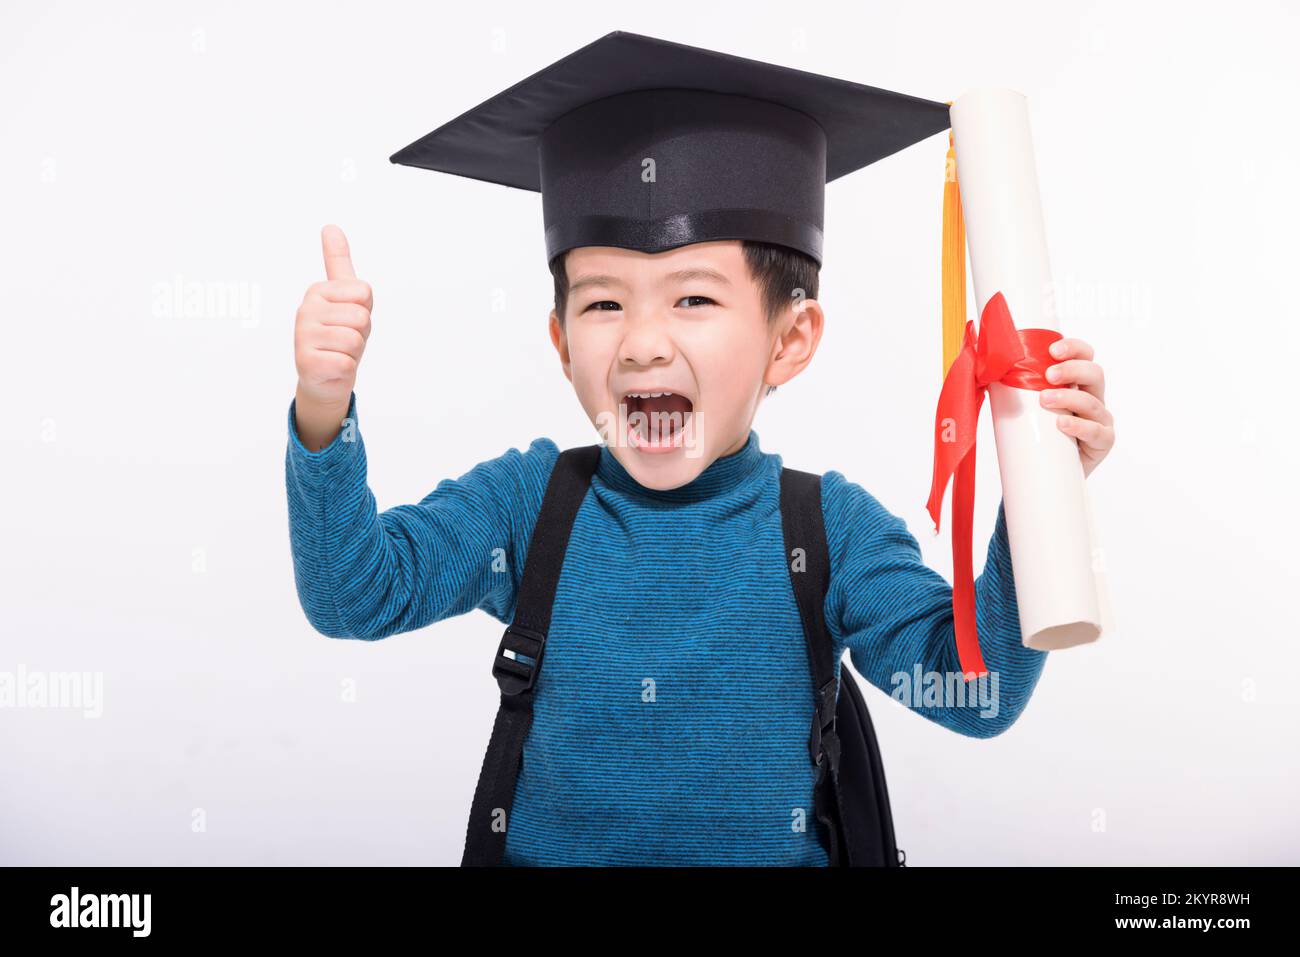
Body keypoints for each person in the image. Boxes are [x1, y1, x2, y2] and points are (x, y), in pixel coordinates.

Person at [285, 32, 1116, 866]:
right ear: (561, 341)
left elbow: (977, 692)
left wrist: (1039, 490)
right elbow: (353, 593)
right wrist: (326, 411)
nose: (644, 343)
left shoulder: (827, 532)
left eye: (692, 298)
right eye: (604, 304)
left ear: (790, 341)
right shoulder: (529, 506)